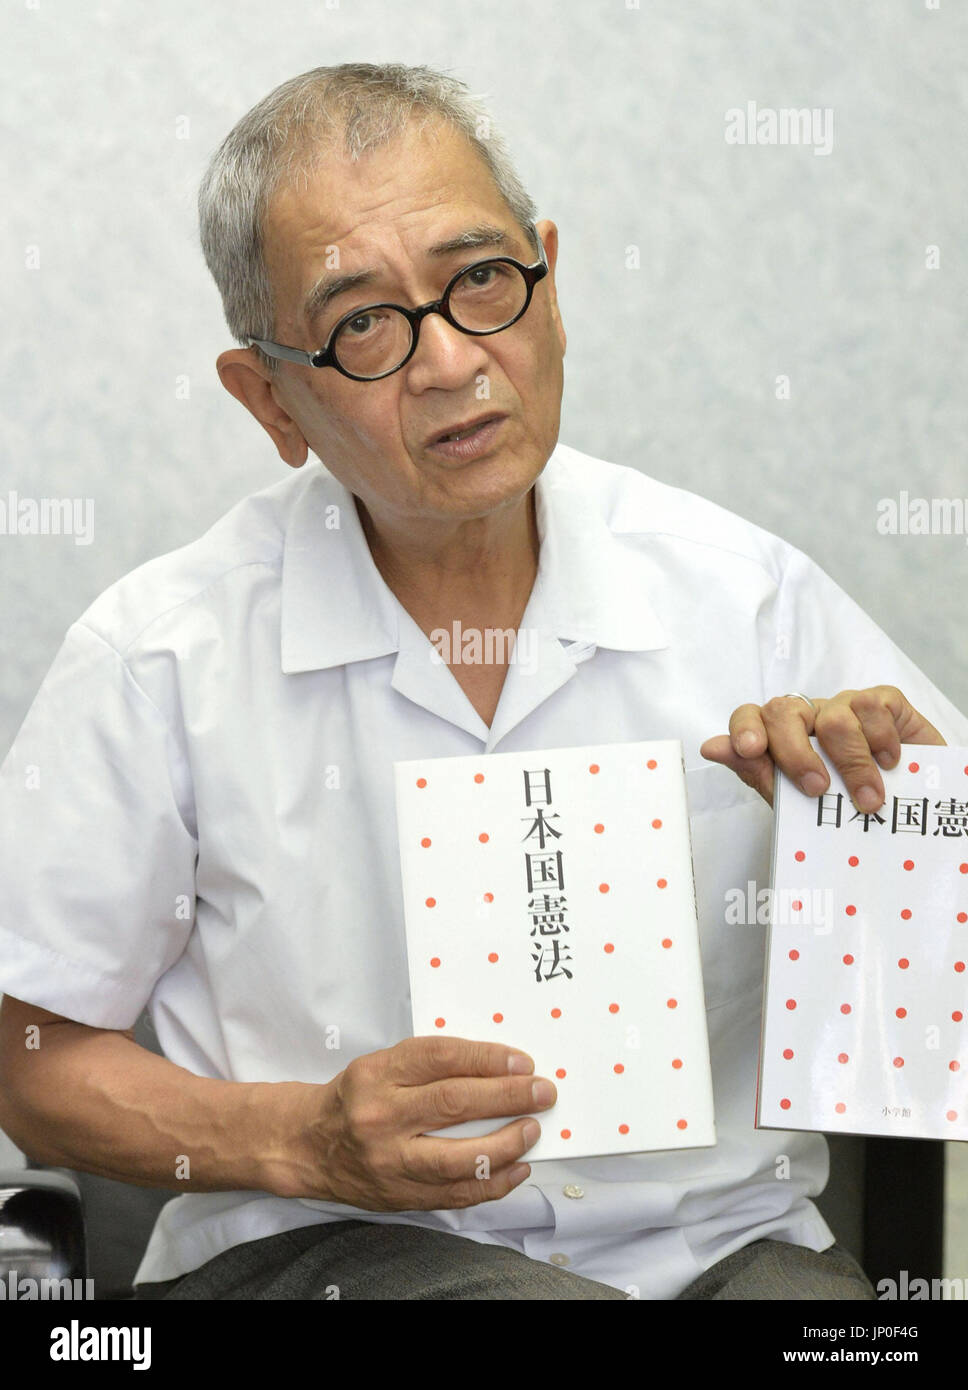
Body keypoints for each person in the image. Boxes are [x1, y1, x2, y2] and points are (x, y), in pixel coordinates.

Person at [0, 62, 965, 1302]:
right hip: (320, 1252)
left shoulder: (745, 596)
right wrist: (302, 1137)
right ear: (270, 398)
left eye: (481, 282)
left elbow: (925, 1004)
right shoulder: (160, 655)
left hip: (729, 1251)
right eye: (361, 324)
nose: (452, 361)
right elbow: (28, 1054)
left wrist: (880, 842)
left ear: (548, 282)